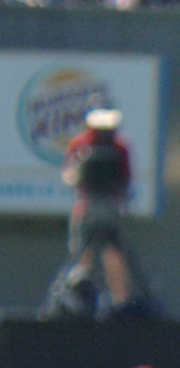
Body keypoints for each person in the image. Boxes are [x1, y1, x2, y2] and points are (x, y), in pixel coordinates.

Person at [50, 108, 139, 320]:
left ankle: (121, 302)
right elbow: (69, 175)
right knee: (83, 253)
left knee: (114, 255)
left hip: (109, 207)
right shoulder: (80, 144)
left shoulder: (120, 147)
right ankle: (80, 299)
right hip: (86, 206)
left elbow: (125, 179)